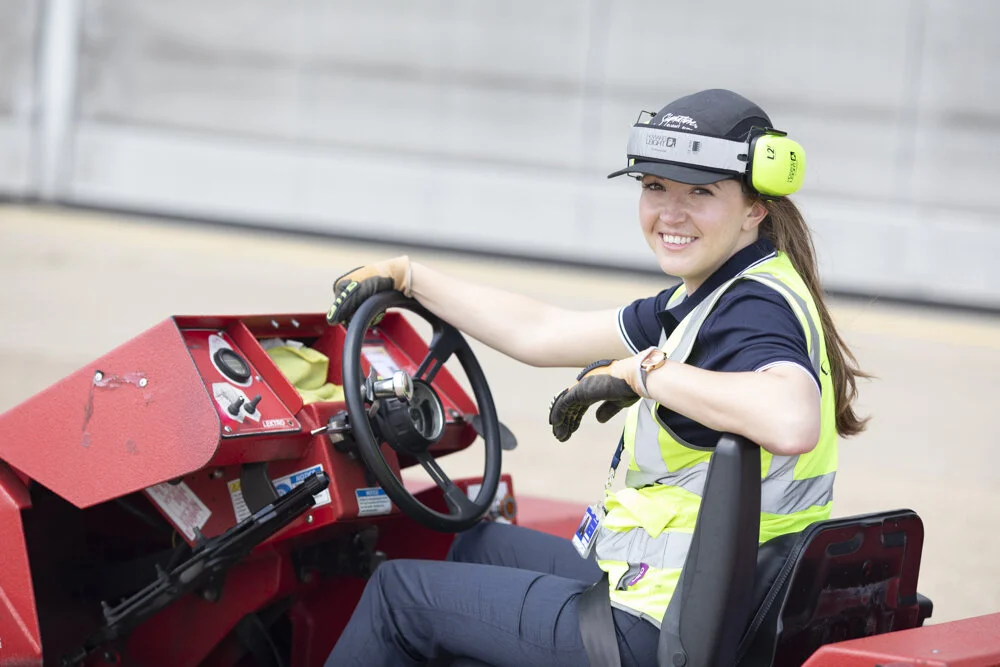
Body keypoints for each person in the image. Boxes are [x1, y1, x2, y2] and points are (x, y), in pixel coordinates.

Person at [323, 89, 868, 667]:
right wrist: (410, 278)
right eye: (655, 187)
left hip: (657, 627)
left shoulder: (750, 307)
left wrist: (643, 372)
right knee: (476, 544)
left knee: (396, 598)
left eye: (700, 193)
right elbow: (541, 332)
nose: (670, 213)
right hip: (695, 598)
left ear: (756, 208)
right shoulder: (714, 294)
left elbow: (792, 417)